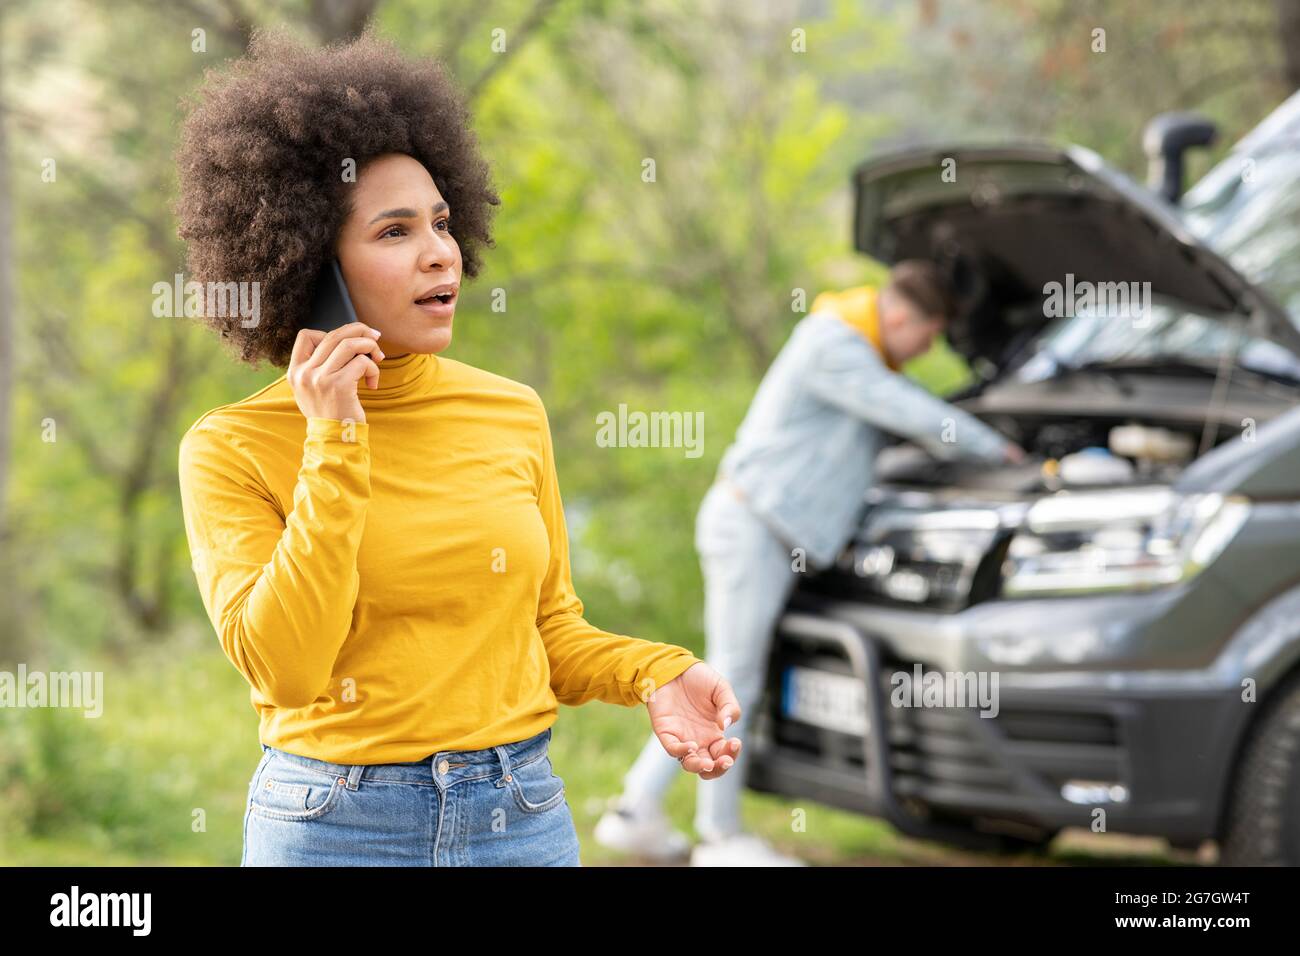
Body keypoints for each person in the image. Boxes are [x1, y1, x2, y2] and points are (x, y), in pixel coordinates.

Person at [174, 27, 742, 867]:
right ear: (306, 265)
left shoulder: (509, 411)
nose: (441, 251)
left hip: (521, 814)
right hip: (337, 827)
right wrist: (335, 439)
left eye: (442, 223)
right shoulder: (233, 447)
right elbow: (286, 672)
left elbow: (547, 628)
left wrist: (652, 672)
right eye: (394, 232)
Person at [595, 260, 1025, 866]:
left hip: (764, 532)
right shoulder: (833, 345)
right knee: (732, 681)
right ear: (900, 315)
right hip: (754, 530)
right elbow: (915, 413)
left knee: (726, 672)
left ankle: (635, 811)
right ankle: (720, 839)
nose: (925, 351)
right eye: (927, 336)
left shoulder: (856, 349)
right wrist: (998, 447)